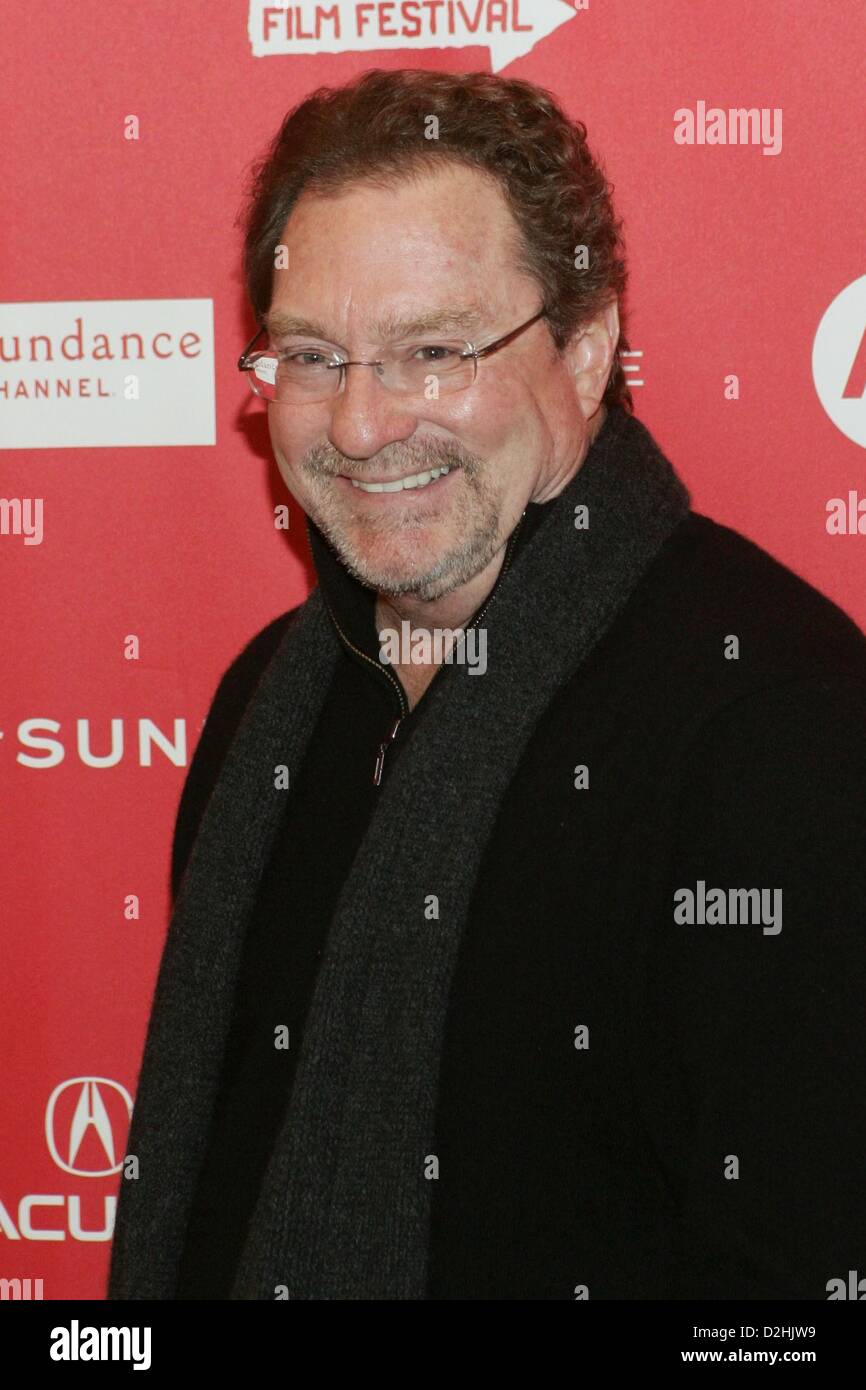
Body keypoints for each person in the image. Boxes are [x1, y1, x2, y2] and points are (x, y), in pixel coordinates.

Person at [108, 68, 866, 1301]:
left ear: (584, 351)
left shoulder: (776, 727)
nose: (358, 424)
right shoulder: (272, 706)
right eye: (311, 354)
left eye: (431, 351)